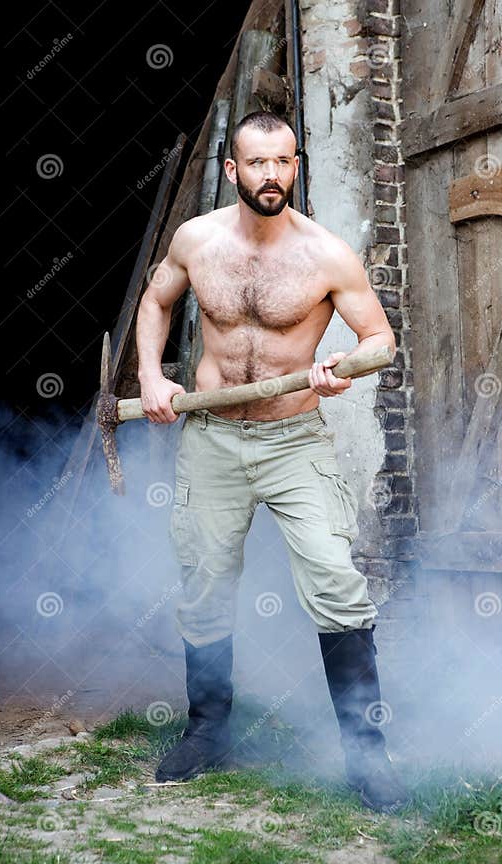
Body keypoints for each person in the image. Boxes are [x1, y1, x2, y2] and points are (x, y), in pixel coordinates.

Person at [135, 110, 408, 813]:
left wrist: (343, 365)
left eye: (283, 162)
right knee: (204, 582)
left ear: (295, 167)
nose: (271, 175)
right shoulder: (197, 240)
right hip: (214, 437)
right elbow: (155, 300)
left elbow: (381, 337)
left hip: (295, 440)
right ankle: (207, 732)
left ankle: (367, 759)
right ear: (233, 170)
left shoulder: (325, 254)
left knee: (335, 580)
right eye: (257, 163)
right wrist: (151, 377)